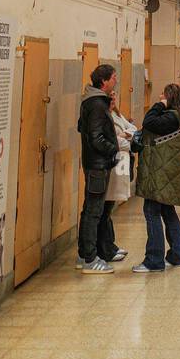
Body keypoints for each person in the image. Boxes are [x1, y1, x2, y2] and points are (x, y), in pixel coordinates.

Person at [132, 83, 180, 273]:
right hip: (166, 171)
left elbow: (148, 122)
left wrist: (160, 105)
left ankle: (154, 260)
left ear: (170, 98)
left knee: (151, 212)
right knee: (167, 211)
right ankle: (177, 255)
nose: (159, 96)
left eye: (163, 94)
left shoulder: (171, 116)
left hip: (160, 172)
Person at [76, 63, 120, 274]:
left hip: (94, 163)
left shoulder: (92, 102)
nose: (116, 81)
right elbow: (95, 137)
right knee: (94, 211)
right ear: (103, 82)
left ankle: (86, 253)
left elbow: (81, 127)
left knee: (92, 209)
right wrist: (113, 149)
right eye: (113, 78)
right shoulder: (96, 105)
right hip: (97, 165)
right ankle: (90, 259)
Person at [102, 90, 137, 262]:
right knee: (105, 207)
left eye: (116, 95)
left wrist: (125, 136)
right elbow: (116, 142)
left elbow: (134, 130)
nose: (114, 98)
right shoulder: (103, 117)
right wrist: (125, 138)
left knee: (109, 206)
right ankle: (106, 247)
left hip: (121, 163)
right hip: (112, 164)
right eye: (111, 95)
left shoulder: (116, 114)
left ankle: (110, 245)